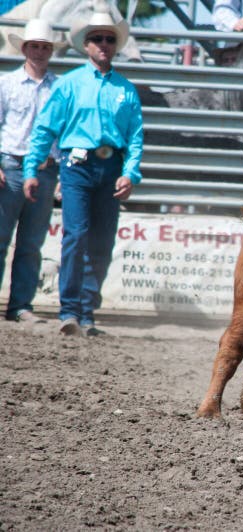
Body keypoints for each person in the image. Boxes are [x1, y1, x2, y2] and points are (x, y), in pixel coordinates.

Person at [23, 8, 143, 337]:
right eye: (97, 39)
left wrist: (130, 173)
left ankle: (87, 311)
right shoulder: (70, 85)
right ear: (86, 45)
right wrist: (31, 169)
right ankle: (70, 310)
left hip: (111, 167)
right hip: (76, 166)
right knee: (75, 236)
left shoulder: (126, 89)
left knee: (102, 240)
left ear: (115, 45)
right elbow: (45, 130)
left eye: (109, 39)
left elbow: (135, 137)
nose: (103, 44)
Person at [0, 19, 65, 324]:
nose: (39, 51)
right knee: (1, 239)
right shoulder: (6, 83)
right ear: (25, 48)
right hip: (10, 164)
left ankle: (20, 305)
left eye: (44, 47)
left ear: (51, 51)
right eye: (35, 46)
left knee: (31, 244)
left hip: (46, 169)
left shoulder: (61, 88)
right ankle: (18, 306)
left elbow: (65, 133)